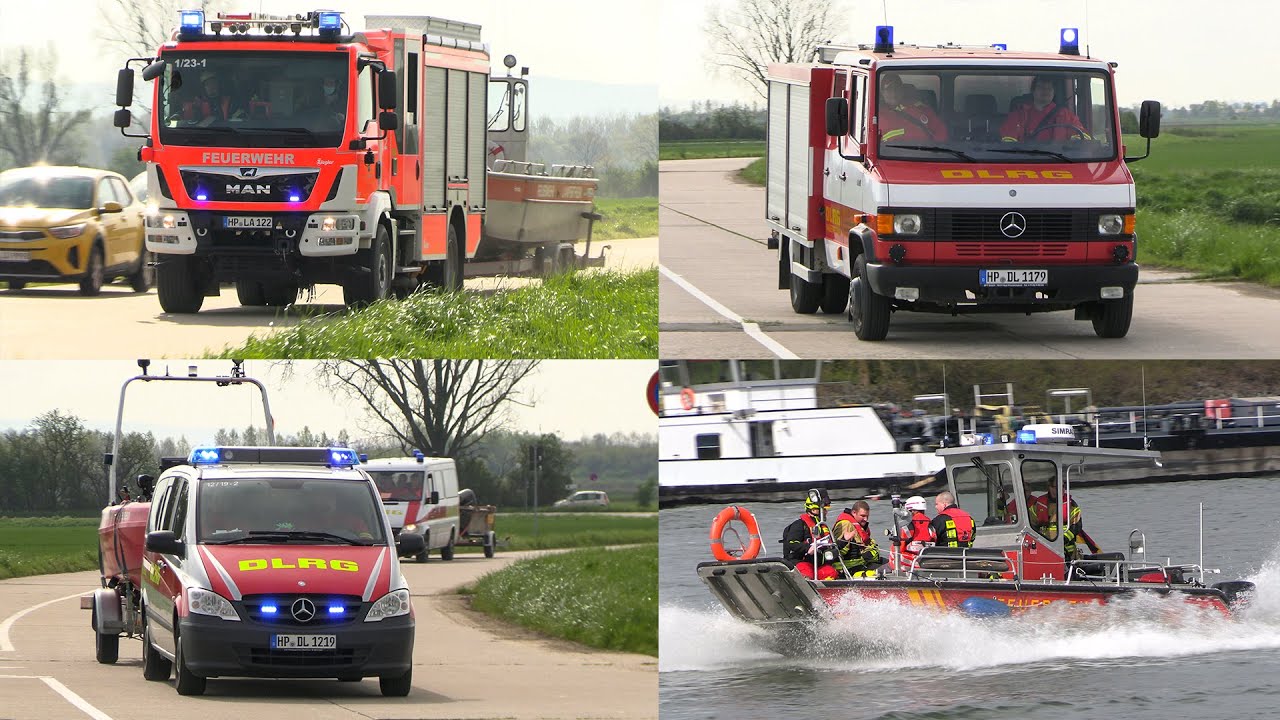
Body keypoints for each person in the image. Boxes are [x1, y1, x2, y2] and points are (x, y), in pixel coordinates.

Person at [999, 75, 1090, 142]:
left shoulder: (1066, 115)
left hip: (1059, 161)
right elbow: (1008, 142)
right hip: (1025, 162)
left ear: (1054, 93)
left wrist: (1077, 143)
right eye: (1041, 87)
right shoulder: (1019, 115)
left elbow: (1082, 136)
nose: (1045, 91)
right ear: (1033, 91)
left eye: (1049, 88)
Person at [1031, 483, 1100, 560]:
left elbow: (1076, 526)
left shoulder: (1070, 504)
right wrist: (1039, 539)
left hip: (1067, 550)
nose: (1059, 489)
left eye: (1062, 486)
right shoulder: (1038, 503)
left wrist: (1063, 539)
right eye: (1055, 487)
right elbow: (1031, 523)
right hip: (1044, 546)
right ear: (1049, 487)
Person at [782, 488, 839, 580]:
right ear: (813, 510)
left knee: (830, 572)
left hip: (818, 563)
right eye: (824, 509)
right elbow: (791, 544)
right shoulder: (799, 525)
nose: (826, 512)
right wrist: (808, 548)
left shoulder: (822, 527)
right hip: (801, 562)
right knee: (806, 573)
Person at [878, 75, 948, 144]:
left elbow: (941, 133)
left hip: (924, 152)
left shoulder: (921, 109)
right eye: (889, 89)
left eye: (897, 88)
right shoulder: (875, 115)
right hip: (888, 153)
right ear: (882, 92)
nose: (893, 93)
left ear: (902, 90)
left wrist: (934, 151)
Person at [832, 500, 886, 577]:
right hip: (848, 567)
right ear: (854, 513)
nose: (866, 519)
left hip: (860, 563)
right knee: (883, 570)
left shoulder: (860, 525)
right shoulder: (846, 524)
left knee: (888, 564)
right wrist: (844, 540)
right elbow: (837, 551)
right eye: (863, 516)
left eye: (867, 516)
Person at [895, 495, 934, 568]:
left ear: (910, 510)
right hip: (926, 562)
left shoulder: (907, 526)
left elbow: (899, 549)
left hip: (908, 564)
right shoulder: (931, 525)